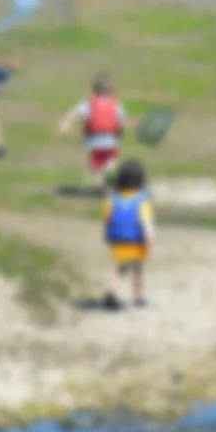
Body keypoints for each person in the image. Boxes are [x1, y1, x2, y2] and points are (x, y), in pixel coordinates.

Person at [102, 158, 155, 309]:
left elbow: (107, 218)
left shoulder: (113, 198)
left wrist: (107, 235)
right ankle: (138, 296)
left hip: (118, 238)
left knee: (123, 267)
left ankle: (113, 292)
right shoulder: (142, 201)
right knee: (138, 268)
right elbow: (146, 224)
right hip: (137, 240)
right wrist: (149, 241)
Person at [57, 73, 126, 187]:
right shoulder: (115, 104)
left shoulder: (89, 103)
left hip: (94, 141)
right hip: (111, 140)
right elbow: (121, 120)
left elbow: (75, 113)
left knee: (97, 167)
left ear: (94, 90)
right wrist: (120, 132)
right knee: (111, 161)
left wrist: (65, 124)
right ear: (112, 90)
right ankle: (109, 175)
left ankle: (99, 186)